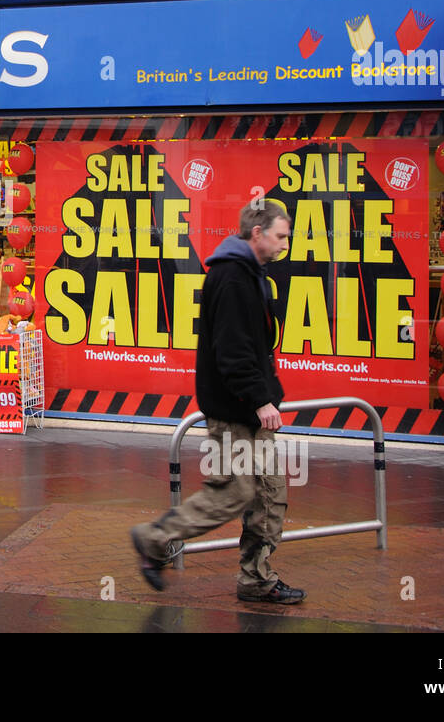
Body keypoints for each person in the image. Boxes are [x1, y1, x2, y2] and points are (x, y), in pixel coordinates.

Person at [130, 200, 305, 604]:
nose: (285, 245)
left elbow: (256, 347)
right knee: (233, 492)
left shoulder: (250, 275)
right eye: (280, 236)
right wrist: (262, 399)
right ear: (257, 233)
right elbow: (233, 350)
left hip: (250, 410)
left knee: (268, 494)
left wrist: (266, 397)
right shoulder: (231, 278)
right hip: (234, 412)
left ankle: (256, 579)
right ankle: (153, 539)